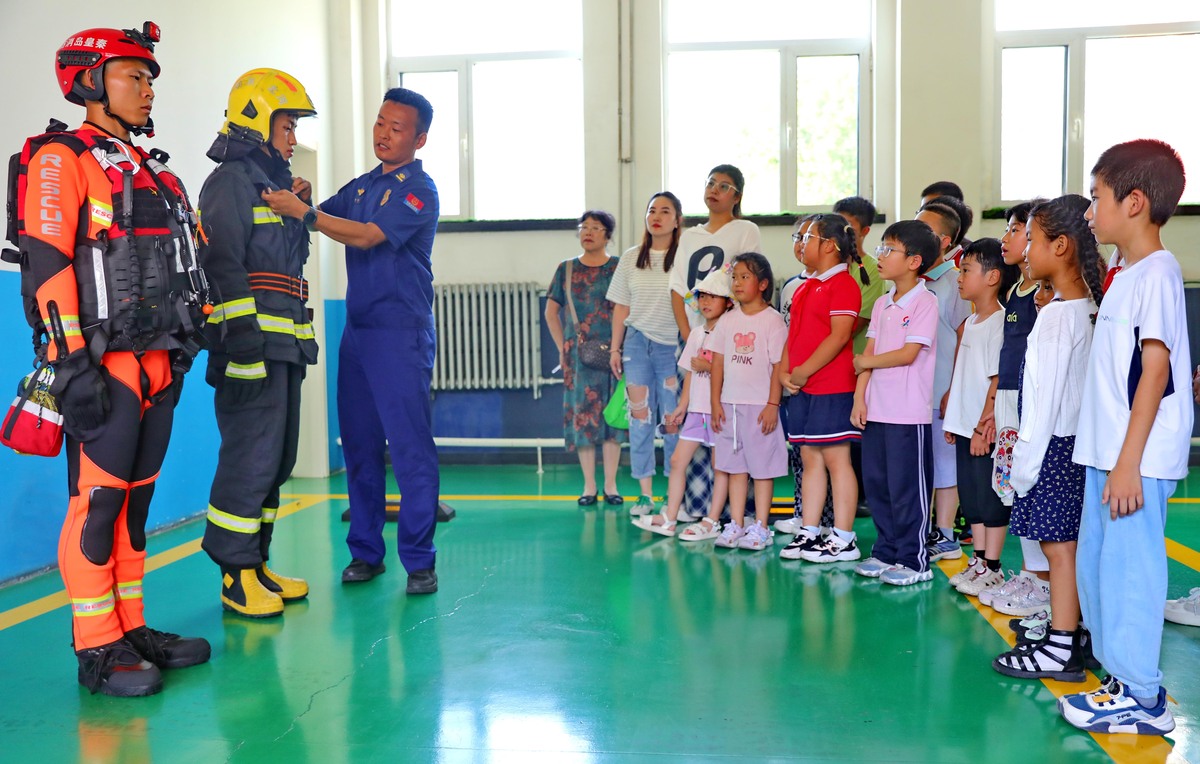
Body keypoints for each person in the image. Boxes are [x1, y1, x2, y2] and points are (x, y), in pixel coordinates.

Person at [19, 21, 210, 695]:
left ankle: (130, 627)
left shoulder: (157, 172)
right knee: (96, 504)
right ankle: (95, 646)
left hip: (160, 362)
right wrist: (68, 363)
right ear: (91, 81)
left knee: (135, 505)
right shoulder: (58, 160)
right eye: (135, 76)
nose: (148, 89)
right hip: (100, 366)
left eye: (151, 77)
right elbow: (45, 266)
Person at [261, 87, 440, 595]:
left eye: (397, 128)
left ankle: (420, 560)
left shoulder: (418, 191)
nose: (384, 133)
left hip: (400, 335)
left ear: (419, 138)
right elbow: (325, 211)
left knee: (409, 450)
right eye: (381, 123)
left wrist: (303, 212)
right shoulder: (363, 187)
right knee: (360, 447)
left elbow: (363, 235)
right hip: (358, 336)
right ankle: (366, 552)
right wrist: (304, 194)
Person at [1061, 139, 1191, 735]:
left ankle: (1144, 697)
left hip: (1132, 461)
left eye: (1096, 198)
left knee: (1132, 573)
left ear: (1134, 201)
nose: (1089, 213)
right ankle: (1122, 680)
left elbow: (1156, 371)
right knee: (1100, 571)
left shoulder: (1158, 274)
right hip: (1108, 455)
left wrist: (1128, 463)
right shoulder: (1126, 275)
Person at [197, 69, 319, 618]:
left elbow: (285, 265)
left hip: (283, 344)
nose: (293, 137)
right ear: (255, 119)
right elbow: (222, 262)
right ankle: (234, 574)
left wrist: (296, 215)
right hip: (249, 346)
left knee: (277, 458)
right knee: (250, 458)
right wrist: (241, 339)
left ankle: (258, 564)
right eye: (287, 125)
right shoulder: (229, 182)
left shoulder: (271, 185)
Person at [991, 194, 1102, 684]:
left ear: (1061, 246)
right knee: (1067, 548)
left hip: (1052, 446)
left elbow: (1044, 403)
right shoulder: (1082, 305)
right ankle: (1071, 631)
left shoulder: (1058, 317)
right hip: (1072, 444)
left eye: (1031, 239)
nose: (1025, 249)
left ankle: (1060, 647)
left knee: (1059, 550)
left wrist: (1024, 468)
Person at [850, 220, 941, 585]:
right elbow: (869, 350)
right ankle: (886, 551)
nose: (880, 256)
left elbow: (906, 354)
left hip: (907, 413)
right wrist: (860, 398)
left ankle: (914, 559)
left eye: (889, 249)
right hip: (877, 409)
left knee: (907, 488)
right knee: (878, 485)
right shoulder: (885, 303)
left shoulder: (925, 302)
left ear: (914, 261)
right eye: (881, 247)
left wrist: (864, 363)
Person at [669, 165, 761, 521]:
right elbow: (678, 289)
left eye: (724, 186)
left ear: (736, 196)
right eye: (710, 183)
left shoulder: (745, 230)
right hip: (699, 337)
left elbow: (746, 281)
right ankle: (696, 508)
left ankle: (737, 513)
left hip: (733, 344)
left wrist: (724, 335)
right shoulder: (689, 235)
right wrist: (690, 336)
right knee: (696, 425)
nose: (715, 190)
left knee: (729, 429)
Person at [776, 214, 865, 564]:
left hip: (831, 387)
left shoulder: (843, 285)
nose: (801, 243)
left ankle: (844, 537)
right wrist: (786, 372)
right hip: (802, 388)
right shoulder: (804, 286)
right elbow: (792, 334)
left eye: (807, 237)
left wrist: (804, 371)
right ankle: (810, 531)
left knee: (836, 460)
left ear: (829, 245)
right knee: (810, 458)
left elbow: (840, 335)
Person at [978, 201, 1052, 618]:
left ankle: (1040, 578)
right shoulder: (1014, 290)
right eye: (1007, 230)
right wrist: (993, 408)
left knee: (1031, 485)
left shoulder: (1045, 294)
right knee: (1012, 486)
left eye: (1015, 230)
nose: (1006, 238)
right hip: (1008, 398)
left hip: (1031, 402)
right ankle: (1029, 573)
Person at [940, 239, 1017, 597]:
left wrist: (982, 426)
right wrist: (954, 416)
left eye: (966, 270)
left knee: (989, 497)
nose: (959, 277)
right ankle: (979, 560)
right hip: (964, 425)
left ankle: (994, 565)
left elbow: (996, 379)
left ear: (992, 277)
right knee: (970, 497)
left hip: (981, 429)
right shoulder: (971, 321)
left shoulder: (998, 322)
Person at [632, 268, 732, 538]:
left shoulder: (730, 331)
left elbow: (735, 371)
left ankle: (712, 521)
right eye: (703, 297)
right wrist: (682, 406)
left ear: (728, 302)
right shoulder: (697, 334)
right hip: (696, 411)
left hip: (718, 412)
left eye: (714, 297)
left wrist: (709, 366)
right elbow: (689, 373)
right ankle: (670, 517)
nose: (706, 302)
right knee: (677, 461)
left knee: (720, 466)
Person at [608, 193, 685, 515]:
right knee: (640, 421)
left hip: (672, 347)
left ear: (677, 220)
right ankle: (644, 494)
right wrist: (616, 347)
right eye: (652, 210)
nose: (657, 216)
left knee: (672, 422)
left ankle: (672, 495)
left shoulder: (684, 256)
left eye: (665, 211)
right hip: (636, 345)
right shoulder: (630, 257)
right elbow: (621, 305)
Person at [709, 253, 788, 551]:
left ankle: (762, 527)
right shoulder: (727, 321)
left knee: (762, 468)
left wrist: (772, 404)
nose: (738, 283)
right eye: (735, 277)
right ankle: (737, 523)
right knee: (734, 468)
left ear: (763, 283)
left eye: (745, 277)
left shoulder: (773, 321)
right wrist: (716, 403)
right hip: (729, 406)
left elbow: (779, 365)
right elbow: (717, 363)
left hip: (759, 408)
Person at [546, 211, 625, 506]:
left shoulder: (619, 267)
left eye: (596, 228)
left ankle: (612, 485)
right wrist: (561, 347)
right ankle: (589, 486)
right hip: (578, 357)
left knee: (613, 418)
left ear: (608, 235)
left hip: (615, 351)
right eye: (584, 227)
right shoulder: (566, 269)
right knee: (584, 419)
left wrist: (621, 346)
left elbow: (626, 307)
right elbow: (551, 312)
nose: (588, 232)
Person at [914, 202, 972, 562]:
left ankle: (947, 533)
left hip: (940, 394)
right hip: (913, 395)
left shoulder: (954, 282)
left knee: (945, 464)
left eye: (925, 230)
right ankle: (925, 527)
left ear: (944, 240)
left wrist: (954, 389)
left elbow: (967, 338)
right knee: (923, 465)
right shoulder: (913, 281)